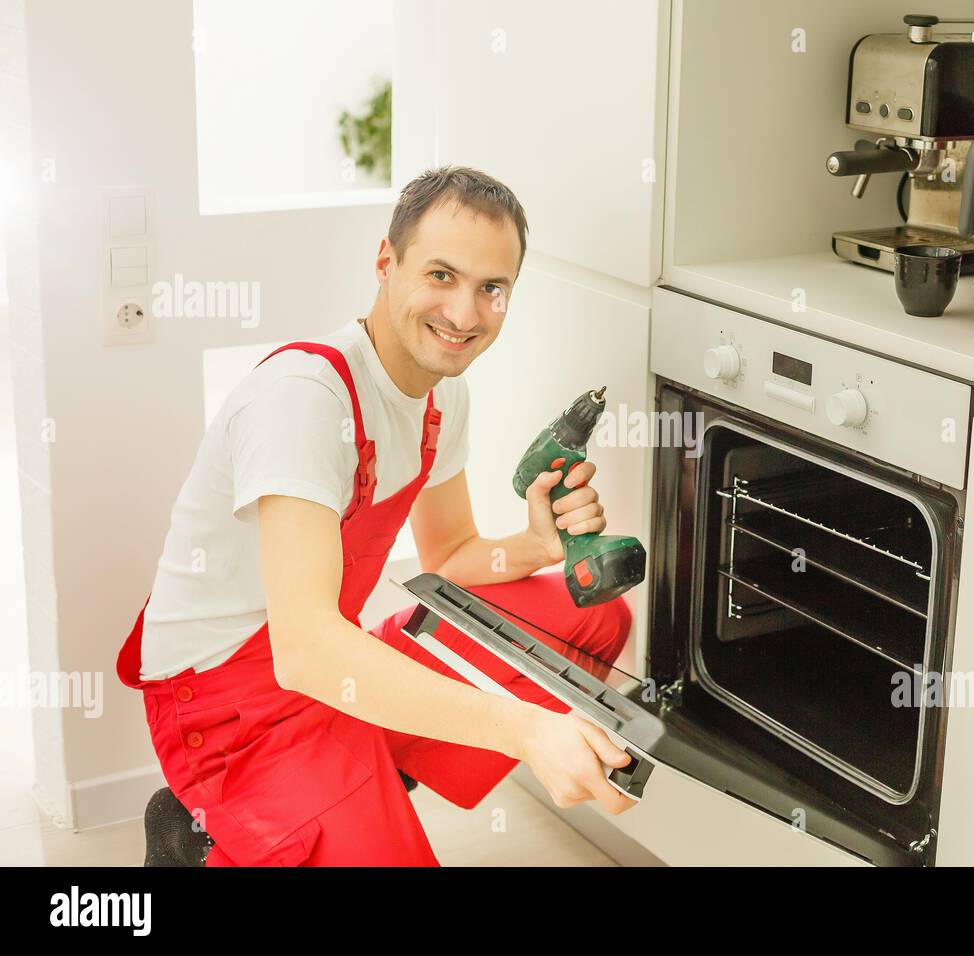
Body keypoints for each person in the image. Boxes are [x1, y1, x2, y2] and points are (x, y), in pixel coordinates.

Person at [116, 166, 636, 866]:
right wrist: (526, 729)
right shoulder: (305, 400)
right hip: (226, 705)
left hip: (326, 663)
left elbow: (448, 558)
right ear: (386, 262)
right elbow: (305, 650)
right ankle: (217, 830)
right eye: (441, 276)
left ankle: (340, 788)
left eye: (491, 289)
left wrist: (536, 546)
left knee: (593, 617)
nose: (464, 314)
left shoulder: (444, 398)